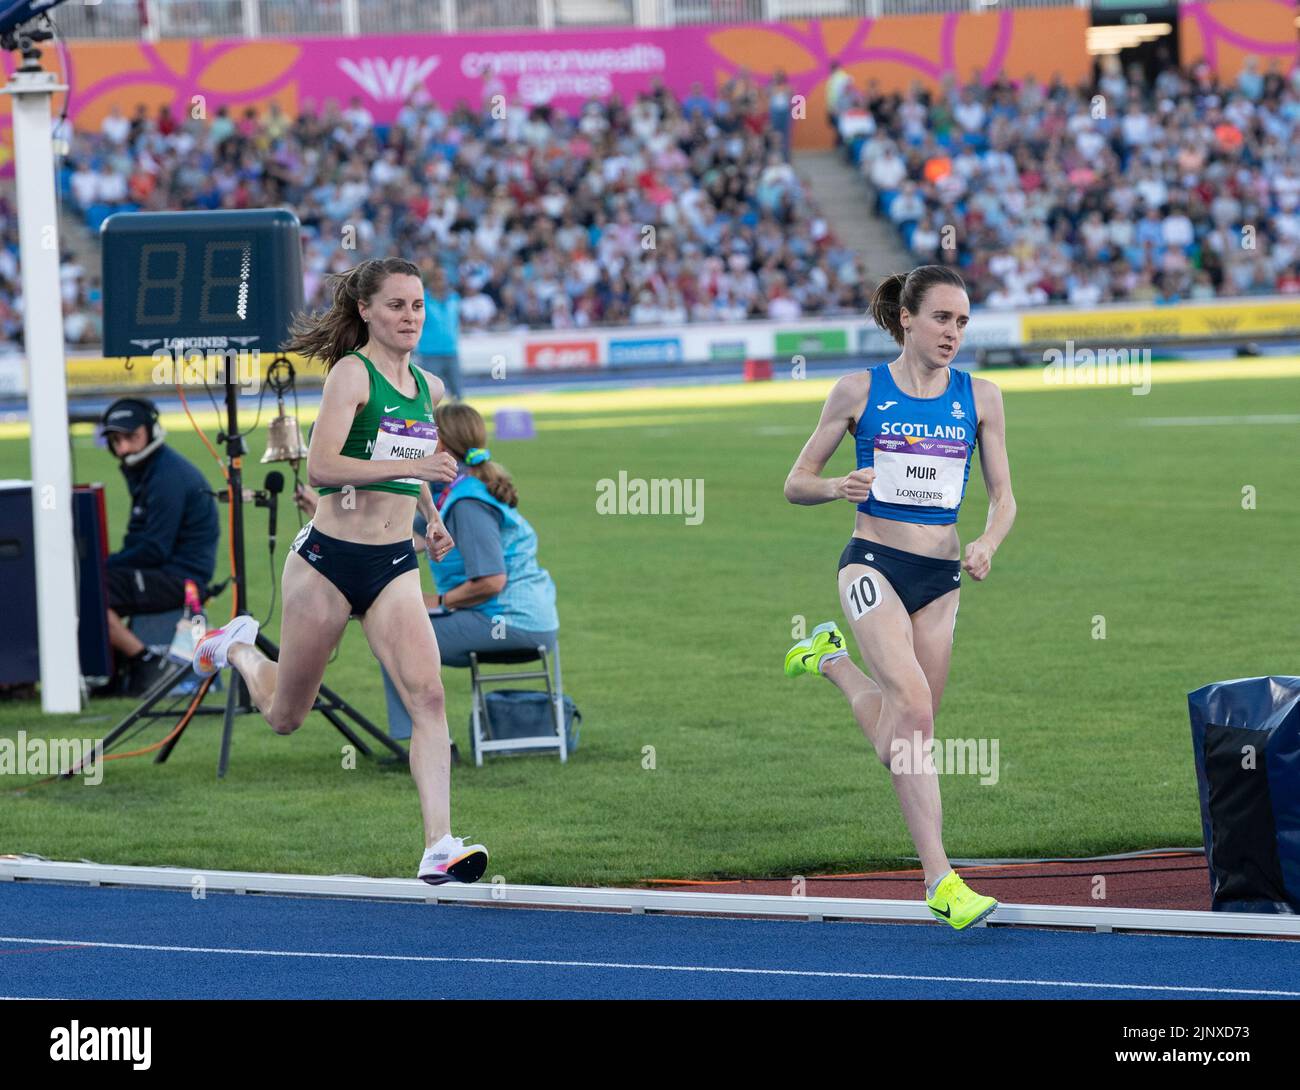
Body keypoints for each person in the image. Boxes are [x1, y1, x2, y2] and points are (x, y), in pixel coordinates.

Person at [191, 257, 487, 886]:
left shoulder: (430, 388)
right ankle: (239, 647)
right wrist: (417, 477)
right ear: (366, 312)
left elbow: (413, 460)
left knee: (428, 695)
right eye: (396, 306)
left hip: (392, 567)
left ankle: (439, 844)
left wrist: (429, 516)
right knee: (285, 717)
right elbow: (323, 469)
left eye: (417, 306)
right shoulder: (351, 376)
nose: (409, 317)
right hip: (326, 563)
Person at [782, 265, 1016, 931]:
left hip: (940, 580)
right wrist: (836, 488)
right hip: (872, 565)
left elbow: (1004, 497)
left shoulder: (983, 397)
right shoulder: (859, 390)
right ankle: (941, 880)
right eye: (943, 318)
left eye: (963, 322)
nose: (954, 333)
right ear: (907, 318)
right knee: (912, 709)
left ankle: (829, 660)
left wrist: (988, 543)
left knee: (904, 740)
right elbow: (797, 480)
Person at [294, 402, 559, 741]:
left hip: (510, 622)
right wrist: (325, 508)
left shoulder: (467, 504)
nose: (414, 440)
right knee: (393, 628)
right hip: (516, 618)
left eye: (424, 434)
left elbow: (493, 581)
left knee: (396, 634)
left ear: (442, 446)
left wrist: (440, 600)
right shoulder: (453, 492)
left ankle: (428, 742)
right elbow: (399, 533)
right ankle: (423, 739)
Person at [100, 396, 218, 696]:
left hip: (184, 581)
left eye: (130, 437)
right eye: (116, 440)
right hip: (171, 573)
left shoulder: (167, 476)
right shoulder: (152, 469)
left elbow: (154, 549)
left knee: (91, 591)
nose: (123, 448)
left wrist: (104, 565)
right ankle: (118, 672)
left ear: (151, 431)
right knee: (94, 585)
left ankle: (147, 663)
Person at [417, 262, 462, 400]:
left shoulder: (454, 298)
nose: (441, 281)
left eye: (444, 277)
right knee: (428, 394)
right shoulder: (421, 299)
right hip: (430, 353)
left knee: (457, 394)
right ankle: (428, 421)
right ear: (431, 281)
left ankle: (458, 421)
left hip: (451, 351)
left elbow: (456, 322)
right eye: (437, 278)